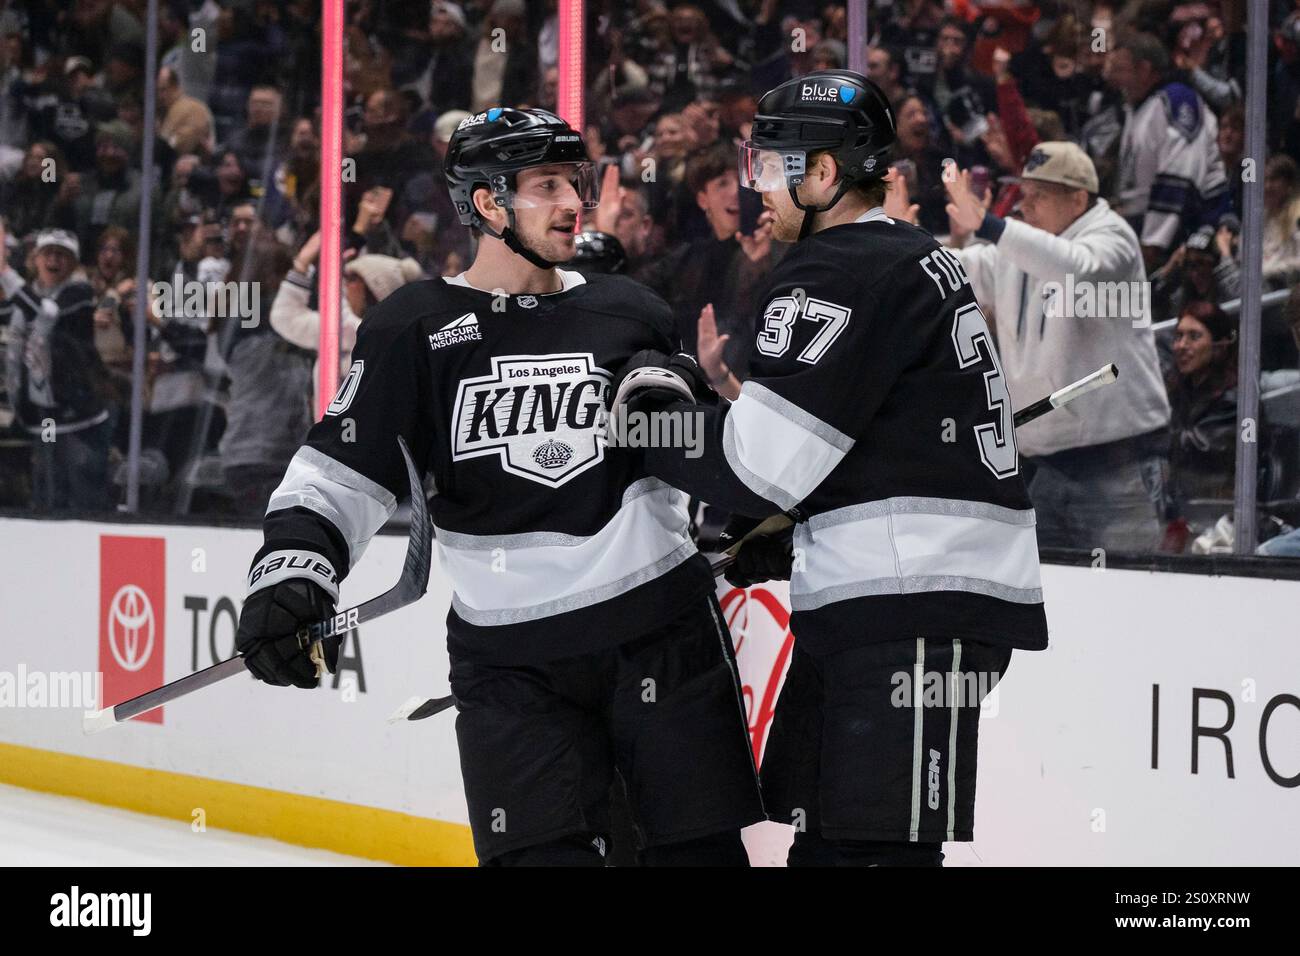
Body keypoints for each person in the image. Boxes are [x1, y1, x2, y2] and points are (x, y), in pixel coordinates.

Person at [233, 107, 763, 866]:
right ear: (487, 202)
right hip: (513, 665)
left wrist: (746, 505)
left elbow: (691, 453)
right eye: (546, 184)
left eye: (572, 182)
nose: (572, 201)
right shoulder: (413, 328)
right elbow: (337, 473)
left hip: (661, 638)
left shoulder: (631, 310)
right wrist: (294, 571)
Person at [611, 70, 1048, 866]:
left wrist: (648, 420)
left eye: (772, 164)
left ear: (821, 174)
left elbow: (756, 466)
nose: (757, 189)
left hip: (913, 605)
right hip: (897, 600)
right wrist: (798, 525)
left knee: (868, 858)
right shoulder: (912, 259)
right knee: (830, 847)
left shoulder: (837, 269)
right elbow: (871, 442)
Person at [946, 142, 1172, 552]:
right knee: (1050, 595)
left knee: (1131, 591)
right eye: (1024, 193)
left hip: (1118, 462)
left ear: (1078, 199)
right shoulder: (1020, 246)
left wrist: (990, 224)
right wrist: (891, 231)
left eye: (1040, 196)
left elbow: (1076, 269)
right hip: (1043, 463)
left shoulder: (1115, 240)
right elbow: (959, 269)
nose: (1025, 205)